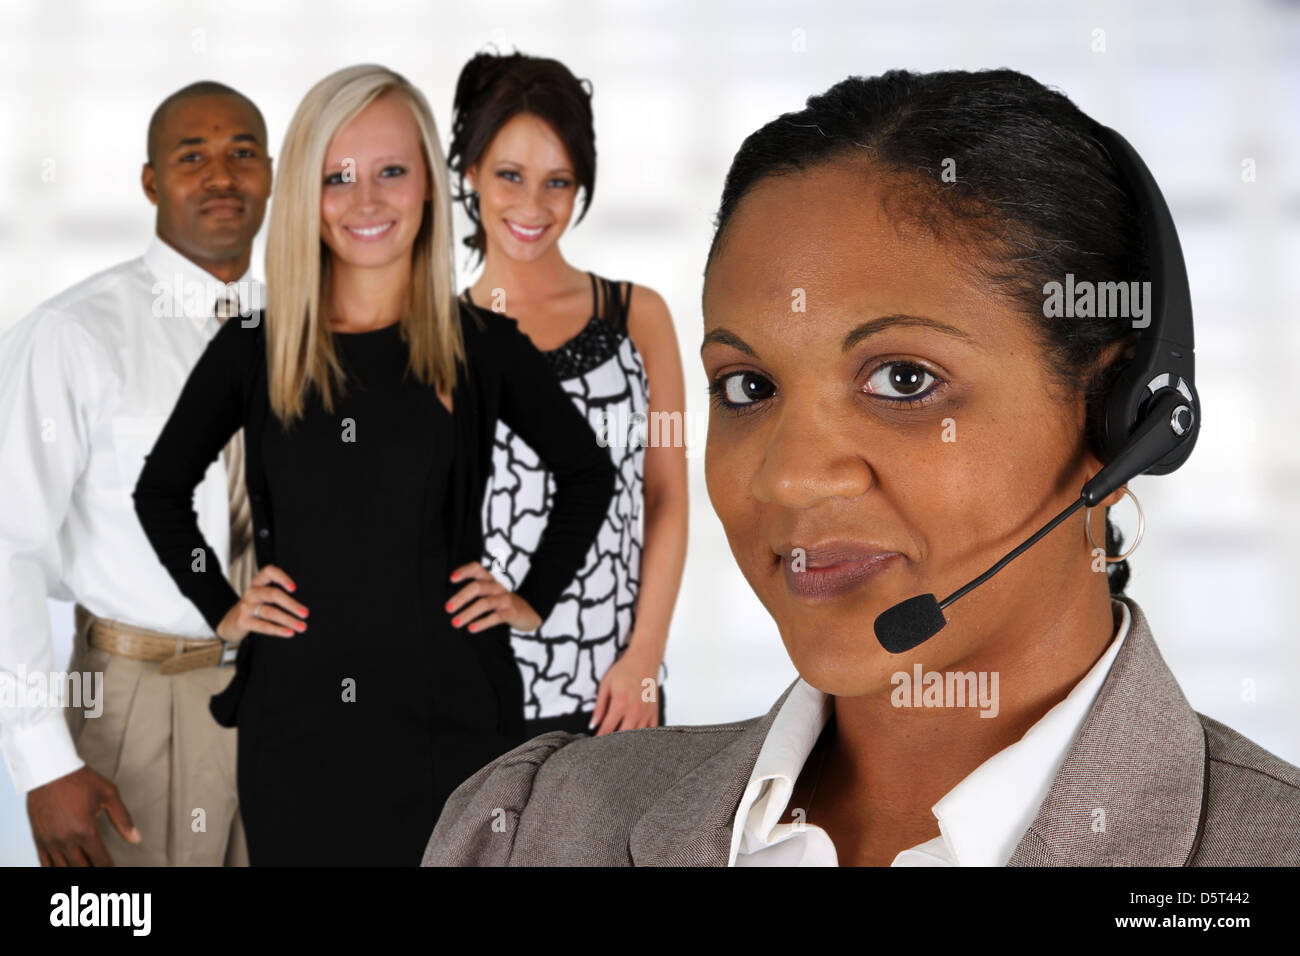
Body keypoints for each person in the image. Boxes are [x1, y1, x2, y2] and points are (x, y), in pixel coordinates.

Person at [422, 68, 1300, 866]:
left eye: (904, 379)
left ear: (1124, 418)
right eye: (749, 385)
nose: (788, 478)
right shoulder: (529, 829)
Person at [132, 64, 615, 866]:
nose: (366, 200)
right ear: (306, 194)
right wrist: (220, 605)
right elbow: (160, 491)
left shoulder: (482, 347)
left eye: (391, 171)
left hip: (456, 713)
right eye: (338, 176)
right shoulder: (254, 349)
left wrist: (532, 596)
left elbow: (587, 473)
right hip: (297, 724)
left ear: (429, 182)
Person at [0, 80, 271, 866]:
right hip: (135, 704)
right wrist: (43, 763)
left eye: (242, 154)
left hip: (282, 702)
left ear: (272, 175)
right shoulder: (72, 335)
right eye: (193, 156)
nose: (221, 176)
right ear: (151, 181)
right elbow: (6, 546)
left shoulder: (298, 329)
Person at [448, 50, 687, 738]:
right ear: (470, 175)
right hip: (471, 685)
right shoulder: (437, 335)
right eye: (510, 176)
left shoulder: (638, 316)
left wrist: (644, 658)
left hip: (615, 692)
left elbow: (665, 495)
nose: (532, 206)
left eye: (557, 181)